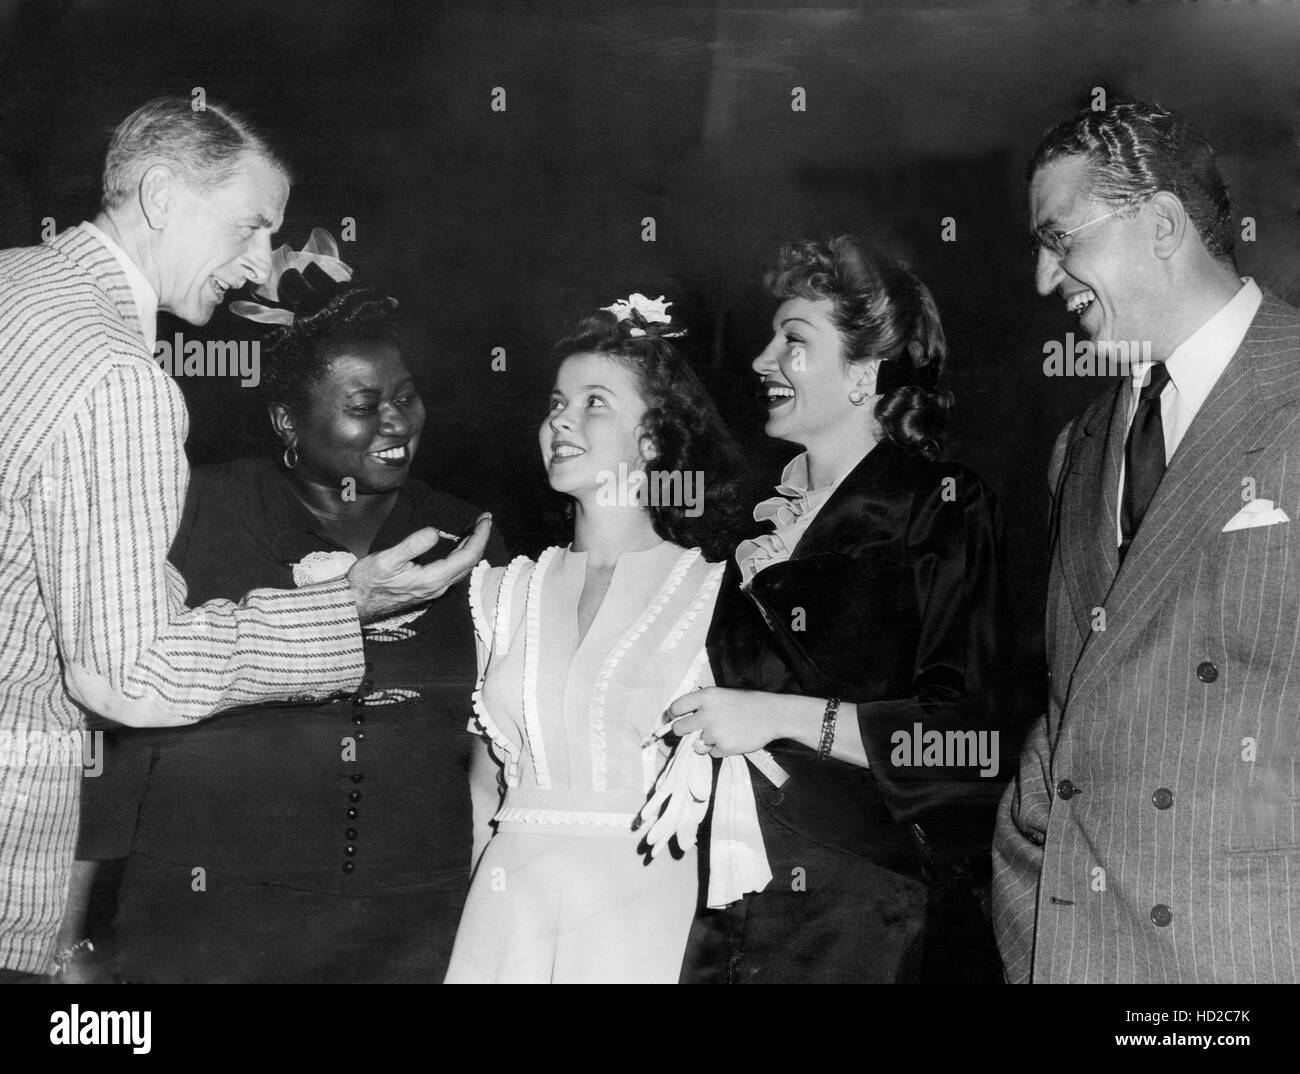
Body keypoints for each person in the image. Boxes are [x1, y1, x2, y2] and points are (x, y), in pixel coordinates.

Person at [0, 97, 488, 982]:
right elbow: (127, 676)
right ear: (159, 195)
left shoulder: (12, 287)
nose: (263, 266)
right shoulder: (119, 378)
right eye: (253, 225)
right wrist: (347, 608)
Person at [993, 100, 1300, 984]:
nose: (1047, 280)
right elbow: (1069, 718)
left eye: (1062, 240)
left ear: (1162, 224)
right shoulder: (1078, 448)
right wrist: (1030, 919)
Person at [674, 236, 1012, 983]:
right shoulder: (751, 530)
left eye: (794, 341)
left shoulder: (939, 506)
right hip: (732, 901)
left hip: (867, 914)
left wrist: (784, 717)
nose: (763, 360)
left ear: (864, 374)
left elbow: (972, 740)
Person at [444, 295, 748, 983]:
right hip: (507, 909)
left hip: (646, 908)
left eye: (595, 403)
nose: (561, 419)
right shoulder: (502, 592)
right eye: (556, 402)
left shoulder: (714, 591)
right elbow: (483, 790)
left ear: (653, 439)